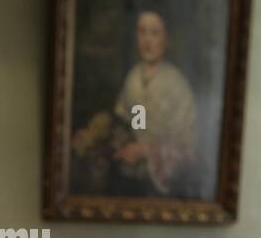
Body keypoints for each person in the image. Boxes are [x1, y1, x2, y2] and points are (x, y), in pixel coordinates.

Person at [73, 11, 198, 197]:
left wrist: (146, 151)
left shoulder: (177, 85)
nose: (147, 41)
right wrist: (96, 133)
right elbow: (137, 124)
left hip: (162, 187)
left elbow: (188, 153)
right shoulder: (133, 79)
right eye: (142, 32)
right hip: (130, 177)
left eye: (155, 33)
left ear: (167, 39)